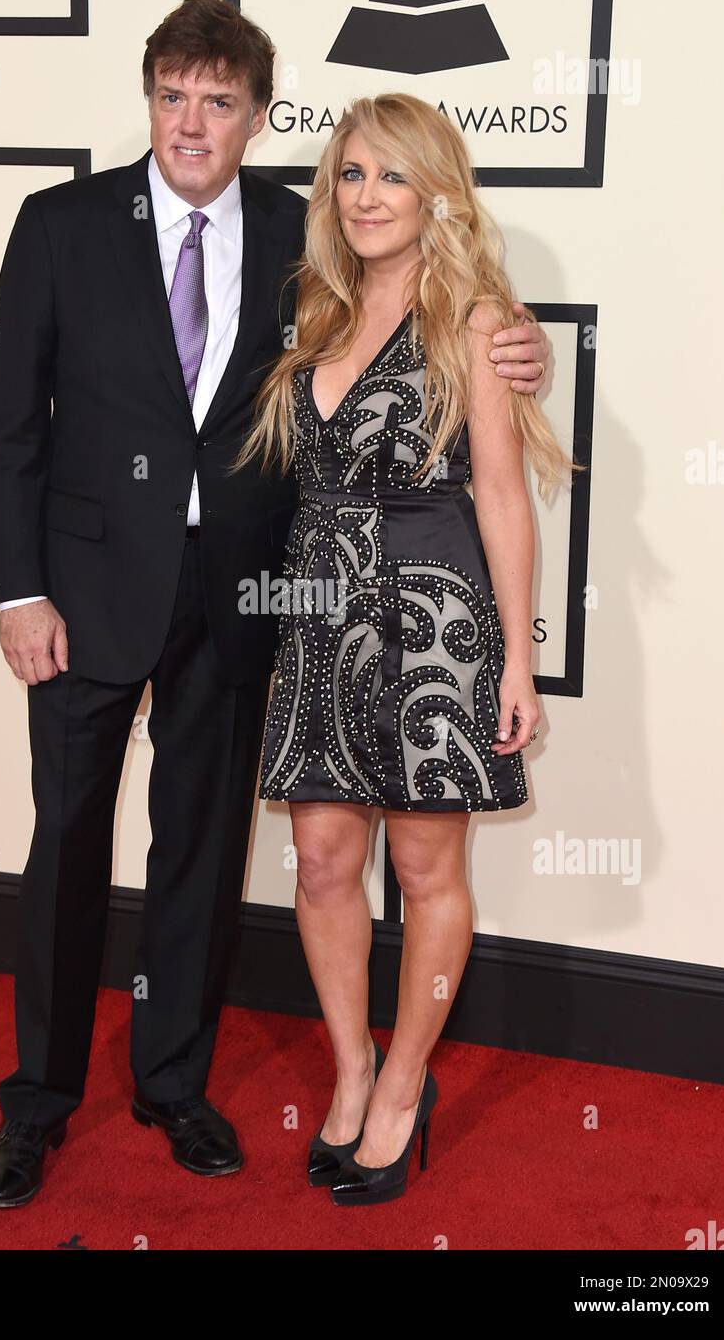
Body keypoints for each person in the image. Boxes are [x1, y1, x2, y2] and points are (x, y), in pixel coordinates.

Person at [0, 0, 550, 1207]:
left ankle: (175, 1081)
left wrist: (523, 345)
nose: (192, 121)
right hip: (79, 592)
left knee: (204, 847)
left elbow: (434, 315)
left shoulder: (309, 237)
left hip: (247, 595)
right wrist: (16, 587)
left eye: (218, 101)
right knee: (67, 844)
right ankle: (35, 1104)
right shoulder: (60, 224)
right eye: (172, 96)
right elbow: (10, 424)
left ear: (255, 115)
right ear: (148, 101)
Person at [237, 93, 578, 1205]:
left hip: (435, 626)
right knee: (327, 862)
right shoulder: (315, 310)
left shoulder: (475, 320)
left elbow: (500, 495)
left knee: (428, 869)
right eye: (349, 175)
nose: (368, 196)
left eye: (391, 175)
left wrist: (517, 664)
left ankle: (404, 1087)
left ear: (435, 190)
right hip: (320, 615)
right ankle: (351, 1068)